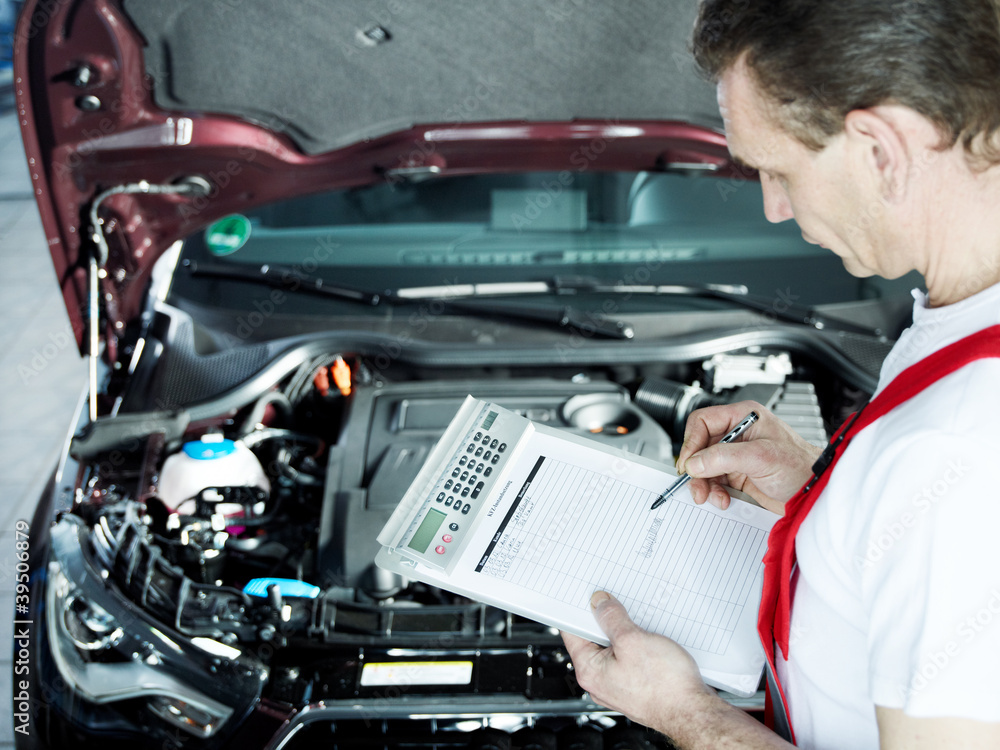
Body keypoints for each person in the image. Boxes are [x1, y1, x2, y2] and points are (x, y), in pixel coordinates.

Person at [560, 1, 1000, 748]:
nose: (772, 206)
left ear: (880, 150)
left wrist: (684, 714)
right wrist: (817, 494)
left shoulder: (957, 452)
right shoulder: (962, 319)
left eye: (777, 168)